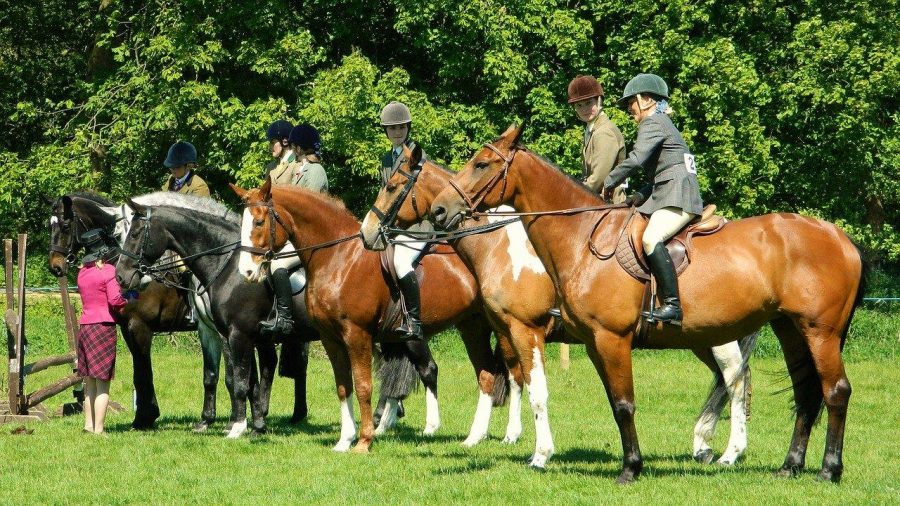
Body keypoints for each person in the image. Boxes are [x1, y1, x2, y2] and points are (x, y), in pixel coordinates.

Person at [602, 73, 703, 326]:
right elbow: (663, 173)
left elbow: (636, 159)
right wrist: (639, 196)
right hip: (671, 190)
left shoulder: (653, 122)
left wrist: (609, 181)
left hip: (678, 196)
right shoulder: (663, 123)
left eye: (631, 103)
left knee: (650, 238)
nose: (629, 109)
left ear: (646, 100)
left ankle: (673, 306)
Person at [259, 124, 328, 337]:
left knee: (278, 263)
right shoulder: (303, 169)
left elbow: (308, 207)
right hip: (299, 235)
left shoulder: (315, 171)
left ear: (299, 147)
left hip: (312, 237)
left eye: (295, 146)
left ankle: (285, 318)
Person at [378, 101, 428, 340]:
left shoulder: (417, 155)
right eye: (392, 128)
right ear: (386, 131)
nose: (397, 132)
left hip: (418, 224)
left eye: (401, 127)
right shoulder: (386, 159)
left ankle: (415, 321)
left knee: (401, 261)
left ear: (408, 128)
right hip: (394, 226)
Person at [76, 228, 127, 434]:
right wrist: (132, 297)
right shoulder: (108, 271)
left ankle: (88, 425)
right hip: (103, 327)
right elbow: (115, 300)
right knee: (103, 384)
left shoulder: (82, 273)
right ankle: (99, 429)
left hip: (85, 327)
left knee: (90, 381)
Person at [567, 75, 627, 202]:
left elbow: (598, 178)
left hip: (609, 204)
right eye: (579, 105)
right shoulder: (592, 129)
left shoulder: (604, 132)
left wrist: (572, 195)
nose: (584, 109)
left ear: (599, 101)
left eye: (588, 103)